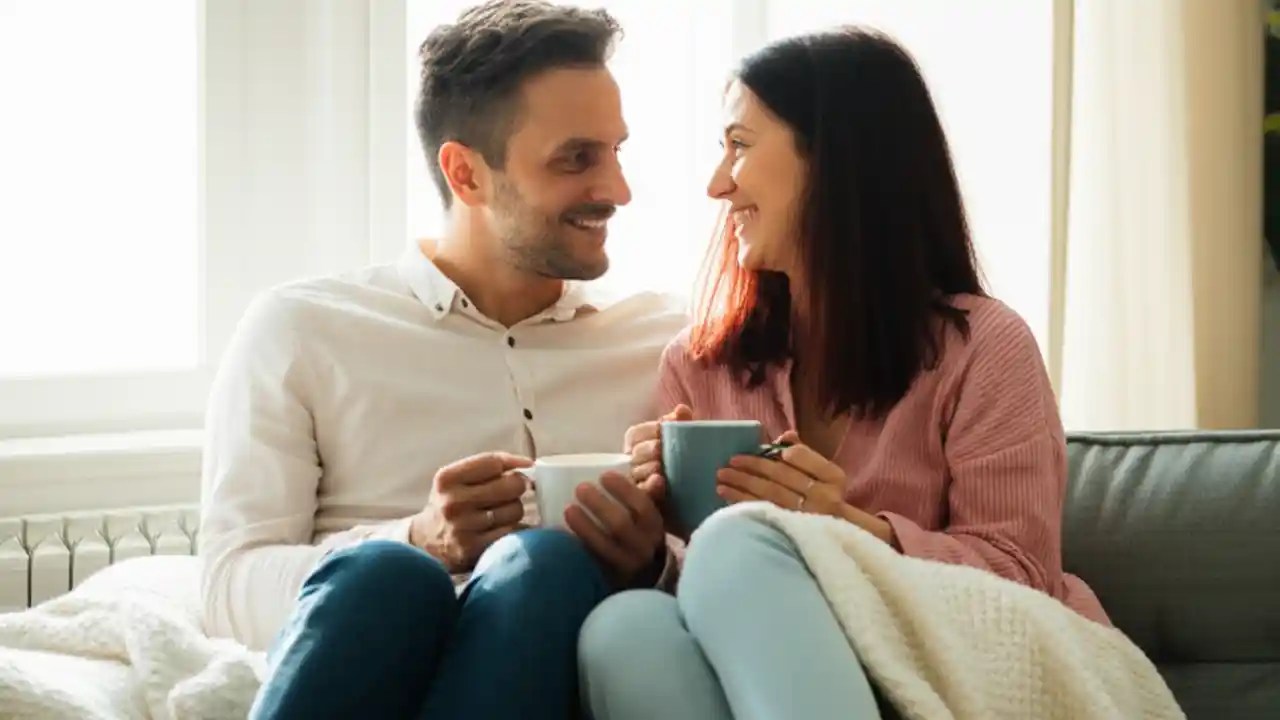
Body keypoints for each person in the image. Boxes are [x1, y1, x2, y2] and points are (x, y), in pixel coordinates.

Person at [578, 27, 1112, 720]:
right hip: (777, 672)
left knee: (745, 539)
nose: (716, 184)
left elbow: (1020, 578)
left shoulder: (985, 347)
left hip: (956, 676)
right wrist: (649, 549)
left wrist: (850, 532)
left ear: (836, 162)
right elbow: (702, 593)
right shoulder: (699, 364)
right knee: (624, 627)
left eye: (739, 145)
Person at [197, 2, 685, 718]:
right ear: (465, 174)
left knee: (547, 564)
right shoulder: (303, 329)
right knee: (389, 574)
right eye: (577, 158)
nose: (617, 190)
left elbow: (720, 578)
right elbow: (225, 589)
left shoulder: (663, 340)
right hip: (365, 646)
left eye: (616, 150)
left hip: (543, 653)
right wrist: (422, 540)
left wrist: (649, 563)